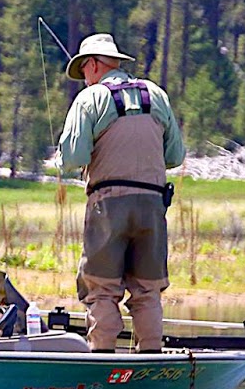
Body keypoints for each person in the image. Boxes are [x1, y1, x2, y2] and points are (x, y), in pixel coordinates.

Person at [57, 33, 185, 353]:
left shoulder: (90, 99)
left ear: (93, 65)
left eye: (84, 71)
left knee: (101, 289)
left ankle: (101, 357)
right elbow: (175, 157)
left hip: (108, 205)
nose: (84, 79)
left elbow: (73, 158)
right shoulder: (156, 95)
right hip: (153, 206)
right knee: (147, 290)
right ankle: (151, 357)